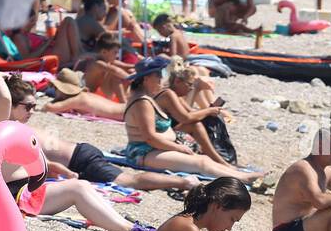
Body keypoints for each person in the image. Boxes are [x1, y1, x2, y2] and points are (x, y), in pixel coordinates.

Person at [0, 73, 157, 231]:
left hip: (24, 191)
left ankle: (128, 225)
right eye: (28, 107)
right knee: (78, 188)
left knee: (81, 186)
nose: (33, 111)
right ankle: (130, 229)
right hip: (19, 196)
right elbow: (5, 100)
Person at [0, 75, 186, 194]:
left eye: (34, 106)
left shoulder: (13, 129)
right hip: (80, 155)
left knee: (132, 181)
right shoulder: (9, 128)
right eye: (28, 107)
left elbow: (41, 161)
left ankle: (185, 182)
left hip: (80, 159)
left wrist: (70, 175)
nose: (32, 111)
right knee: (132, 179)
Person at [123, 57, 263, 181]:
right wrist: (178, 147)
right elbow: (150, 138)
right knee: (200, 163)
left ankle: (235, 172)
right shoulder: (142, 102)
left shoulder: (144, 97)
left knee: (204, 159)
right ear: (146, 78)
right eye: (158, 75)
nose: (161, 78)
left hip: (153, 149)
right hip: (143, 153)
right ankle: (243, 178)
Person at [154, 60, 231, 166]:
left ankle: (218, 156)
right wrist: (208, 111)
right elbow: (185, 118)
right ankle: (219, 160)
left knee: (207, 119)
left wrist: (209, 111)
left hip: (170, 132)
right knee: (196, 125)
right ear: (177, 81)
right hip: (163, 136)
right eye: (189, 85)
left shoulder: (176, 95)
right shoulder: (168, 94)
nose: (191, 88)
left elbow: (192, 113)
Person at [82, 33, 132, 101]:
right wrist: (133, 79)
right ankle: (123, 103)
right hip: (91, 95)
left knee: (130, 71)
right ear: (104, 52)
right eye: (115, 52)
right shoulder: (97, 63)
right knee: (114, 74)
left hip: (100, 95)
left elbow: (127, 66)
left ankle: (126, 100)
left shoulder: (109, 61)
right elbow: (116, 71)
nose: (117, 56)